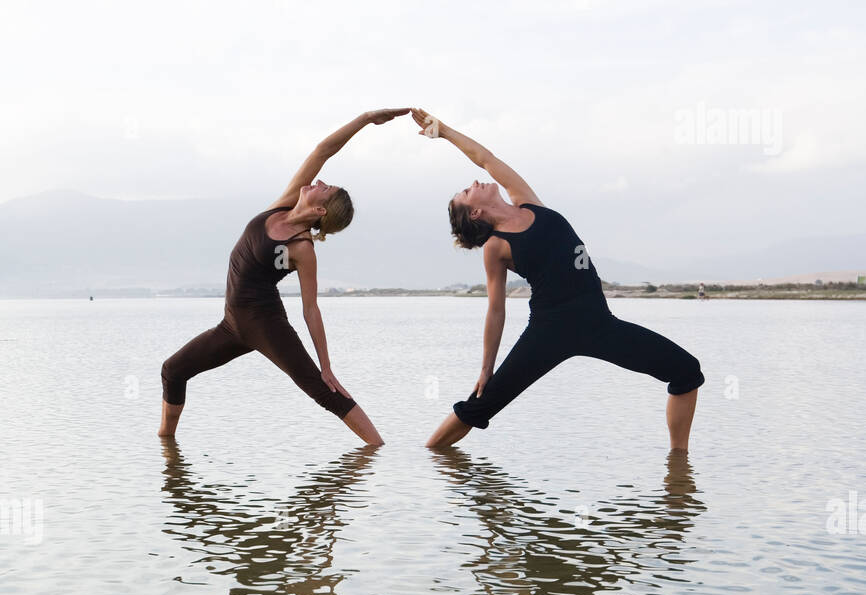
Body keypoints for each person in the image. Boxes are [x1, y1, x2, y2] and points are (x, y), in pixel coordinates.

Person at [411, 108, 704, 451]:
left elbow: (485, 158)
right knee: (481, 404)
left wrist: (444, 131)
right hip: (548, 331)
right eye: (466, 191)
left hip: (600, 325)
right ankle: (431, 457)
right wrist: (486, 368)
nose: (474, 182)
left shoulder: (528, 203)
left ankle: (678, 463)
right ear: (474, 212)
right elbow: (495, 310)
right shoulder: (496, 246)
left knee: (686, 371)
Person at [160, 110, 409, 444]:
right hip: (231, 326)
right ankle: (166, 446)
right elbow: (322, 151)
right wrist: (364, 120)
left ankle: (378, 449)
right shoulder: (283, 205)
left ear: (321, 210)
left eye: (326, 188)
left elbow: (311, 309)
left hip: (267, 325)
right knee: (173, 370)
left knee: (323, 390)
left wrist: (327, 365)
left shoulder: (301, 247)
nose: (319, 181)